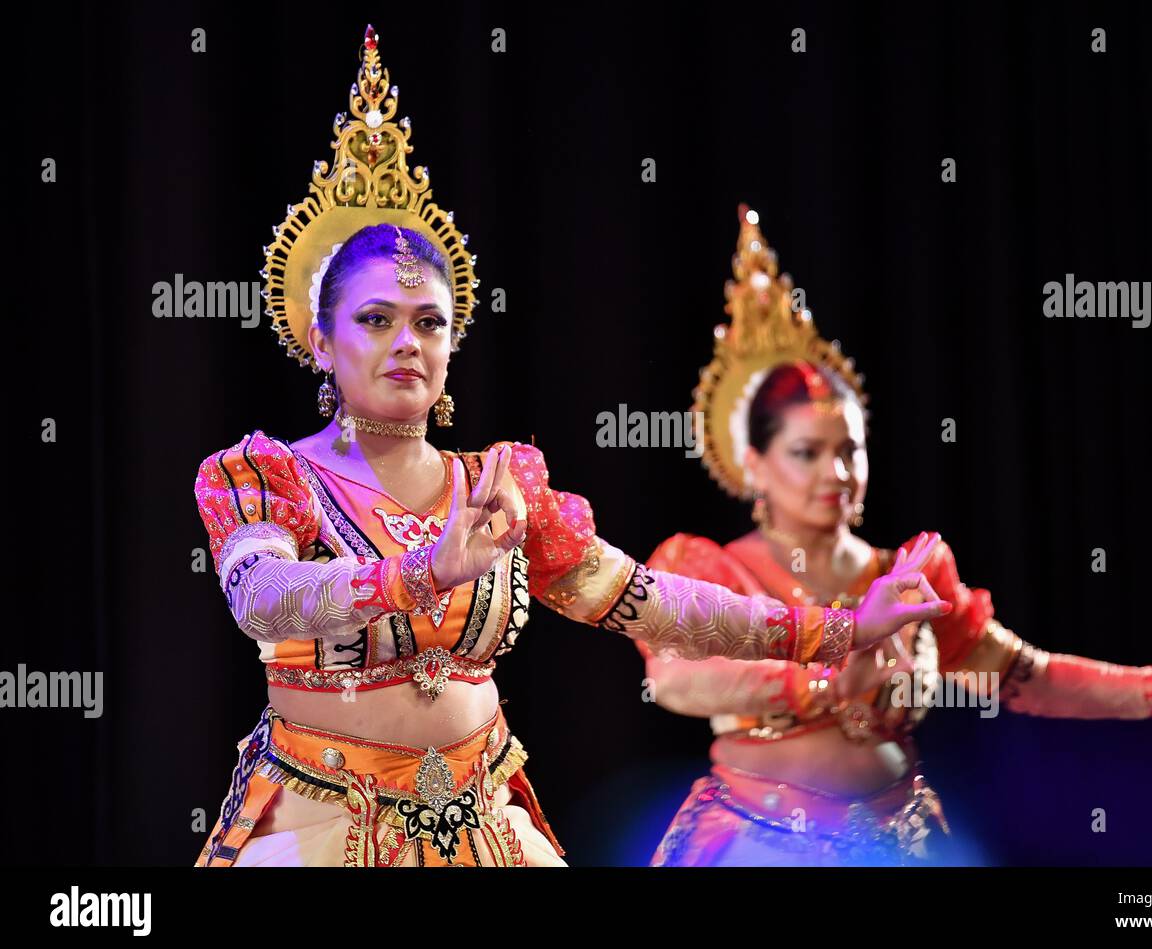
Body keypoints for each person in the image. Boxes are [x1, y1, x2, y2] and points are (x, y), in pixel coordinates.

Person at [191, 28, 950, 868]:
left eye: (430, 323)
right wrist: (419, 573)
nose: (406, 343)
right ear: (320, 338)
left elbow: (653, 602)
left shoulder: (499, 485)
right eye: (376, 320)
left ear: (452, 348)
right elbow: (263, 596)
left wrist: (839, 628)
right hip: (322, 822)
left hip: (485, 827)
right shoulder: (266, 474)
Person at [642, 206, 1152, 866]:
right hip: (755, 842)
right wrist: (828, 681)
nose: (838, 471)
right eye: (807, 452)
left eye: (851, 448)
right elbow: (678, 681)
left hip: (900, 844)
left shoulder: (911, 574)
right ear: (753, 464)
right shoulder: (709, 570)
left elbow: (1030, 677)